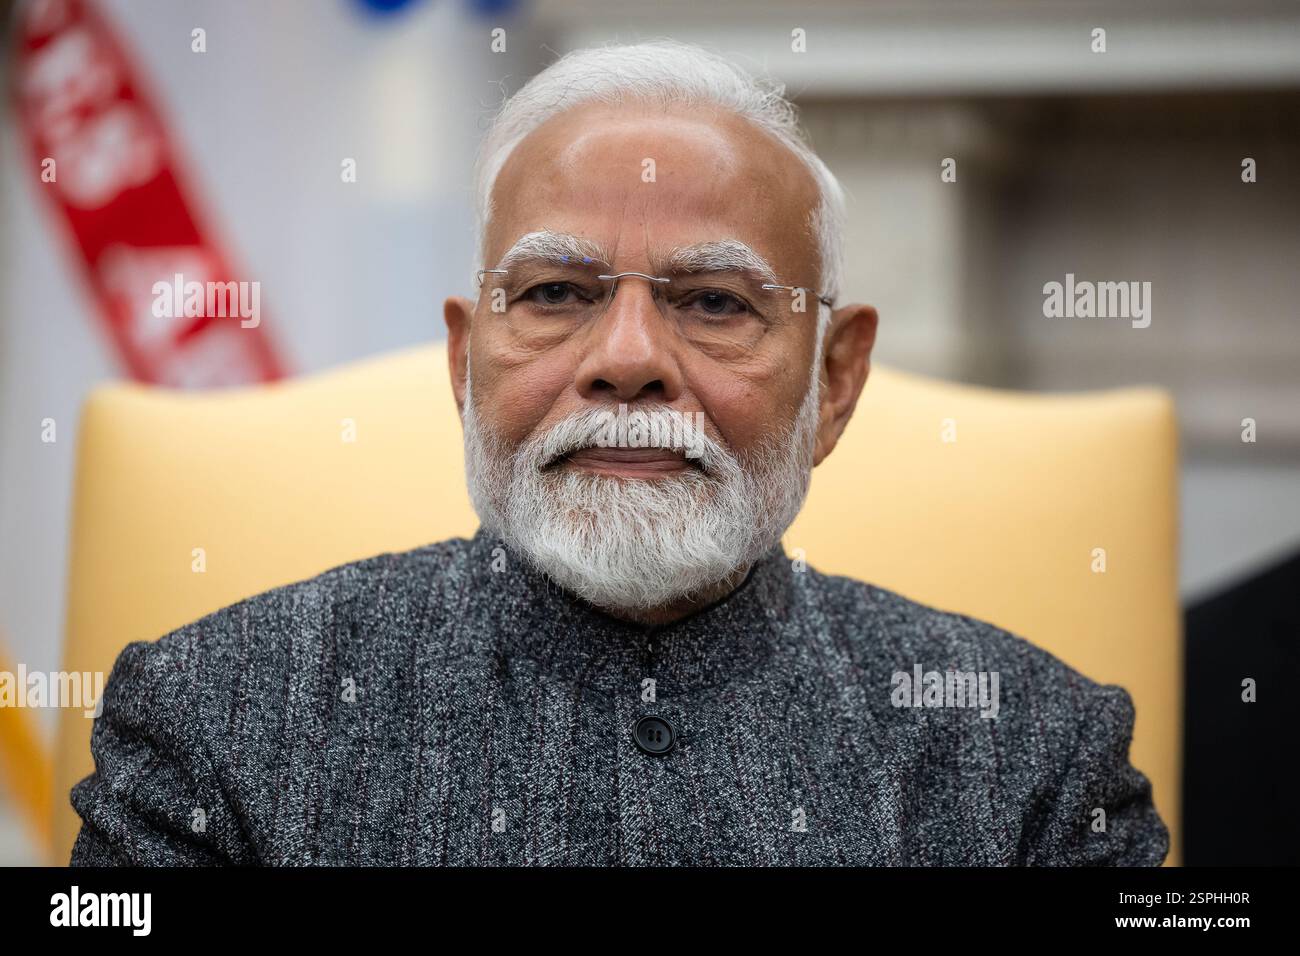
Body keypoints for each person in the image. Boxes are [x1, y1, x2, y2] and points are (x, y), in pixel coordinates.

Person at [70, 40, 1168, 866]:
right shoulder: (207, 720)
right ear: (466, 364)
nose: (629, 359)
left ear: (833, 381)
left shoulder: (1034, 760)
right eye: (555, 293)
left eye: (713, 299)